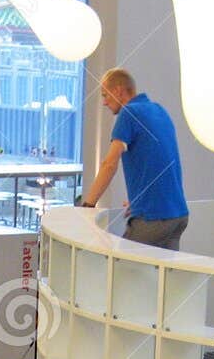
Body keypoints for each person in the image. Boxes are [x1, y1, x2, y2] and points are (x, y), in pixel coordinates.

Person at [79, 68, 190, 250]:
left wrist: (87, 205)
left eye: (105, 95)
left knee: (121, 270)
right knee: (160, 277)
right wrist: (140, 200)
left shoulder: (128, 114)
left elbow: (109, 164)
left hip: (154, 218)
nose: (104, 103)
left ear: (118, 91)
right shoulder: (159, 110)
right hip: (178, 216)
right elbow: (162, 158)